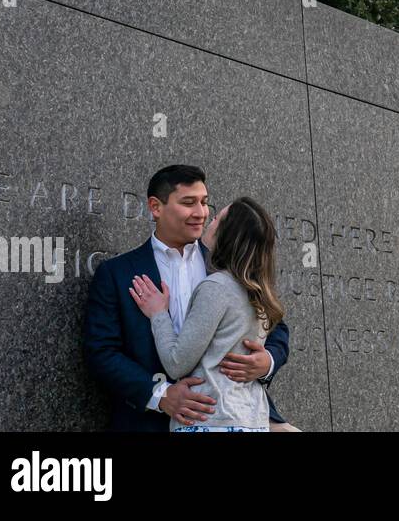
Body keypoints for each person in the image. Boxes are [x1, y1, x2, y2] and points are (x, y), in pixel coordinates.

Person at [84, 165, 295, 431]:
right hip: (148, 423)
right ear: (156, 207)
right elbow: (101, 352)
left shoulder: (229, 266)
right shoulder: (116, 273)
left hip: (232, 417)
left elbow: (277, 328)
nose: (201, 213)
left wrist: (266, 362)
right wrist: (161, 396)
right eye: (188, 203)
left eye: (205, 203)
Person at [129, 195, 284, 432]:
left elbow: (177, 363)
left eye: (217, 219)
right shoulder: (261, 293)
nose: (207, 220)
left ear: (227, 235)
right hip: (251, 419)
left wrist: (158, 313)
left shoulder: (216, 287)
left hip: (211, 419)